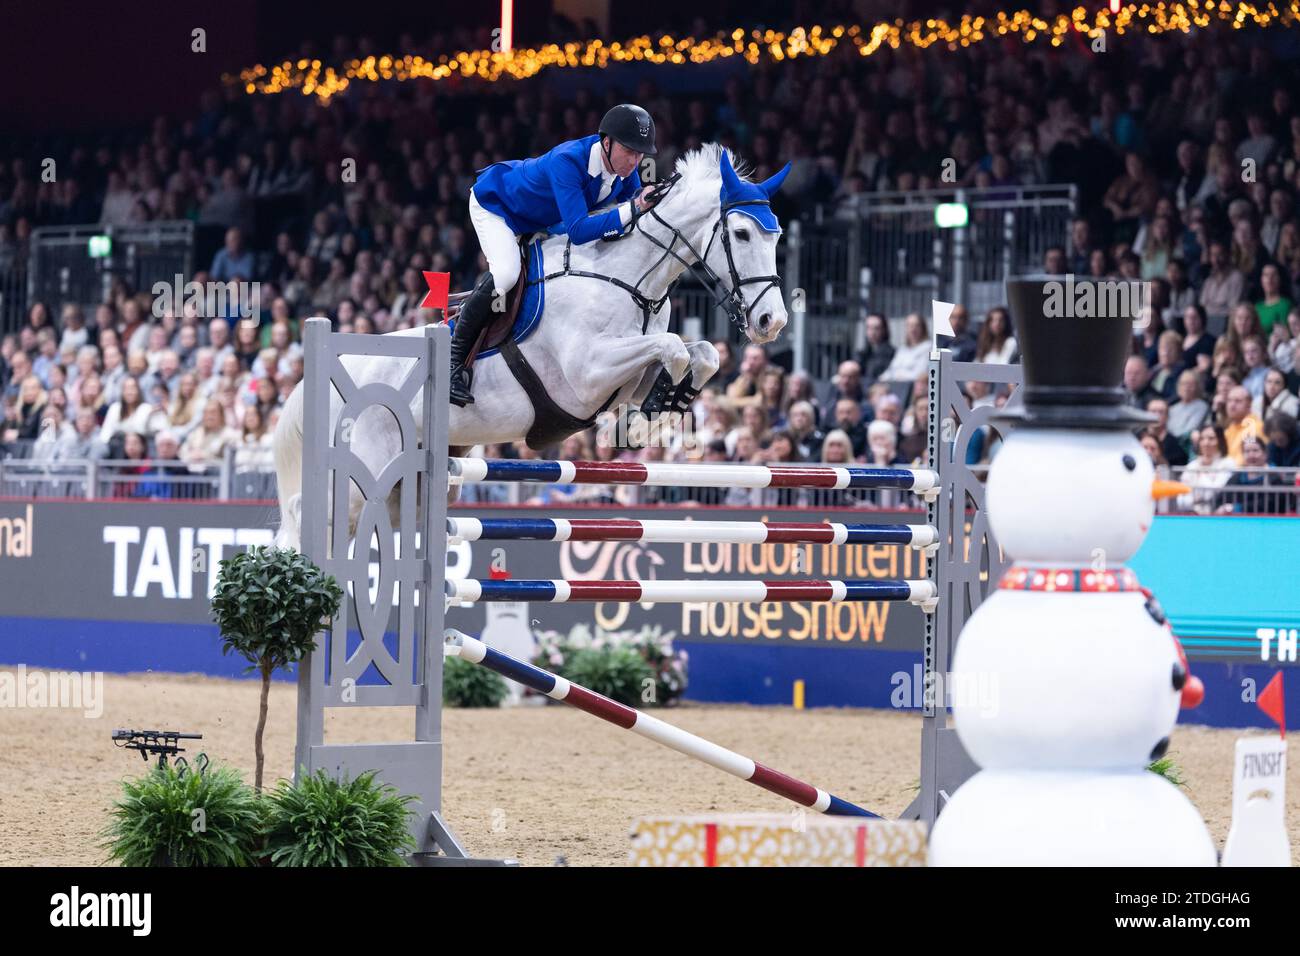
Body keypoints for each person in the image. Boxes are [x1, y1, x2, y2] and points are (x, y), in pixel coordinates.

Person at [451, 104, 662, 406]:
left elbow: (632, 217)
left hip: (541, 220)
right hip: (498, 206)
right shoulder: (569, 161)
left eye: (641, 154)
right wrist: (634, 207)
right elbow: (580, 229)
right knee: (508, 274)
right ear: (606, 142)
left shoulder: (624, 172)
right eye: (630, 151)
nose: (636, 161)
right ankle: (453, 360)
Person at [1177, 426, 1235, 514]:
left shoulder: (1228, 463)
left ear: (1220, 441)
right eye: (1202, 439)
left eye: (1211, 439)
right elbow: (1181, 497)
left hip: (1215, 514)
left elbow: (1214, 493)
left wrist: (1202, 473)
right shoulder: (1192, 466)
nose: (1206, 443)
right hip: (1191, 514)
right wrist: (1194, 500)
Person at [1221, 385, 1266, 464]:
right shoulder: (1230, 428)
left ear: (1249, 405)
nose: (1232, 405)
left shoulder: (1255, 427)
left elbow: (1249, 459)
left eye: (1238, 401)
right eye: (1229, 400)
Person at [855, 312, 896, 381]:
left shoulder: (892, 353)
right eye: (869, 328)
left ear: (884, 330)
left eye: (876, 328)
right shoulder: (862, 353)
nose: (872, 332)